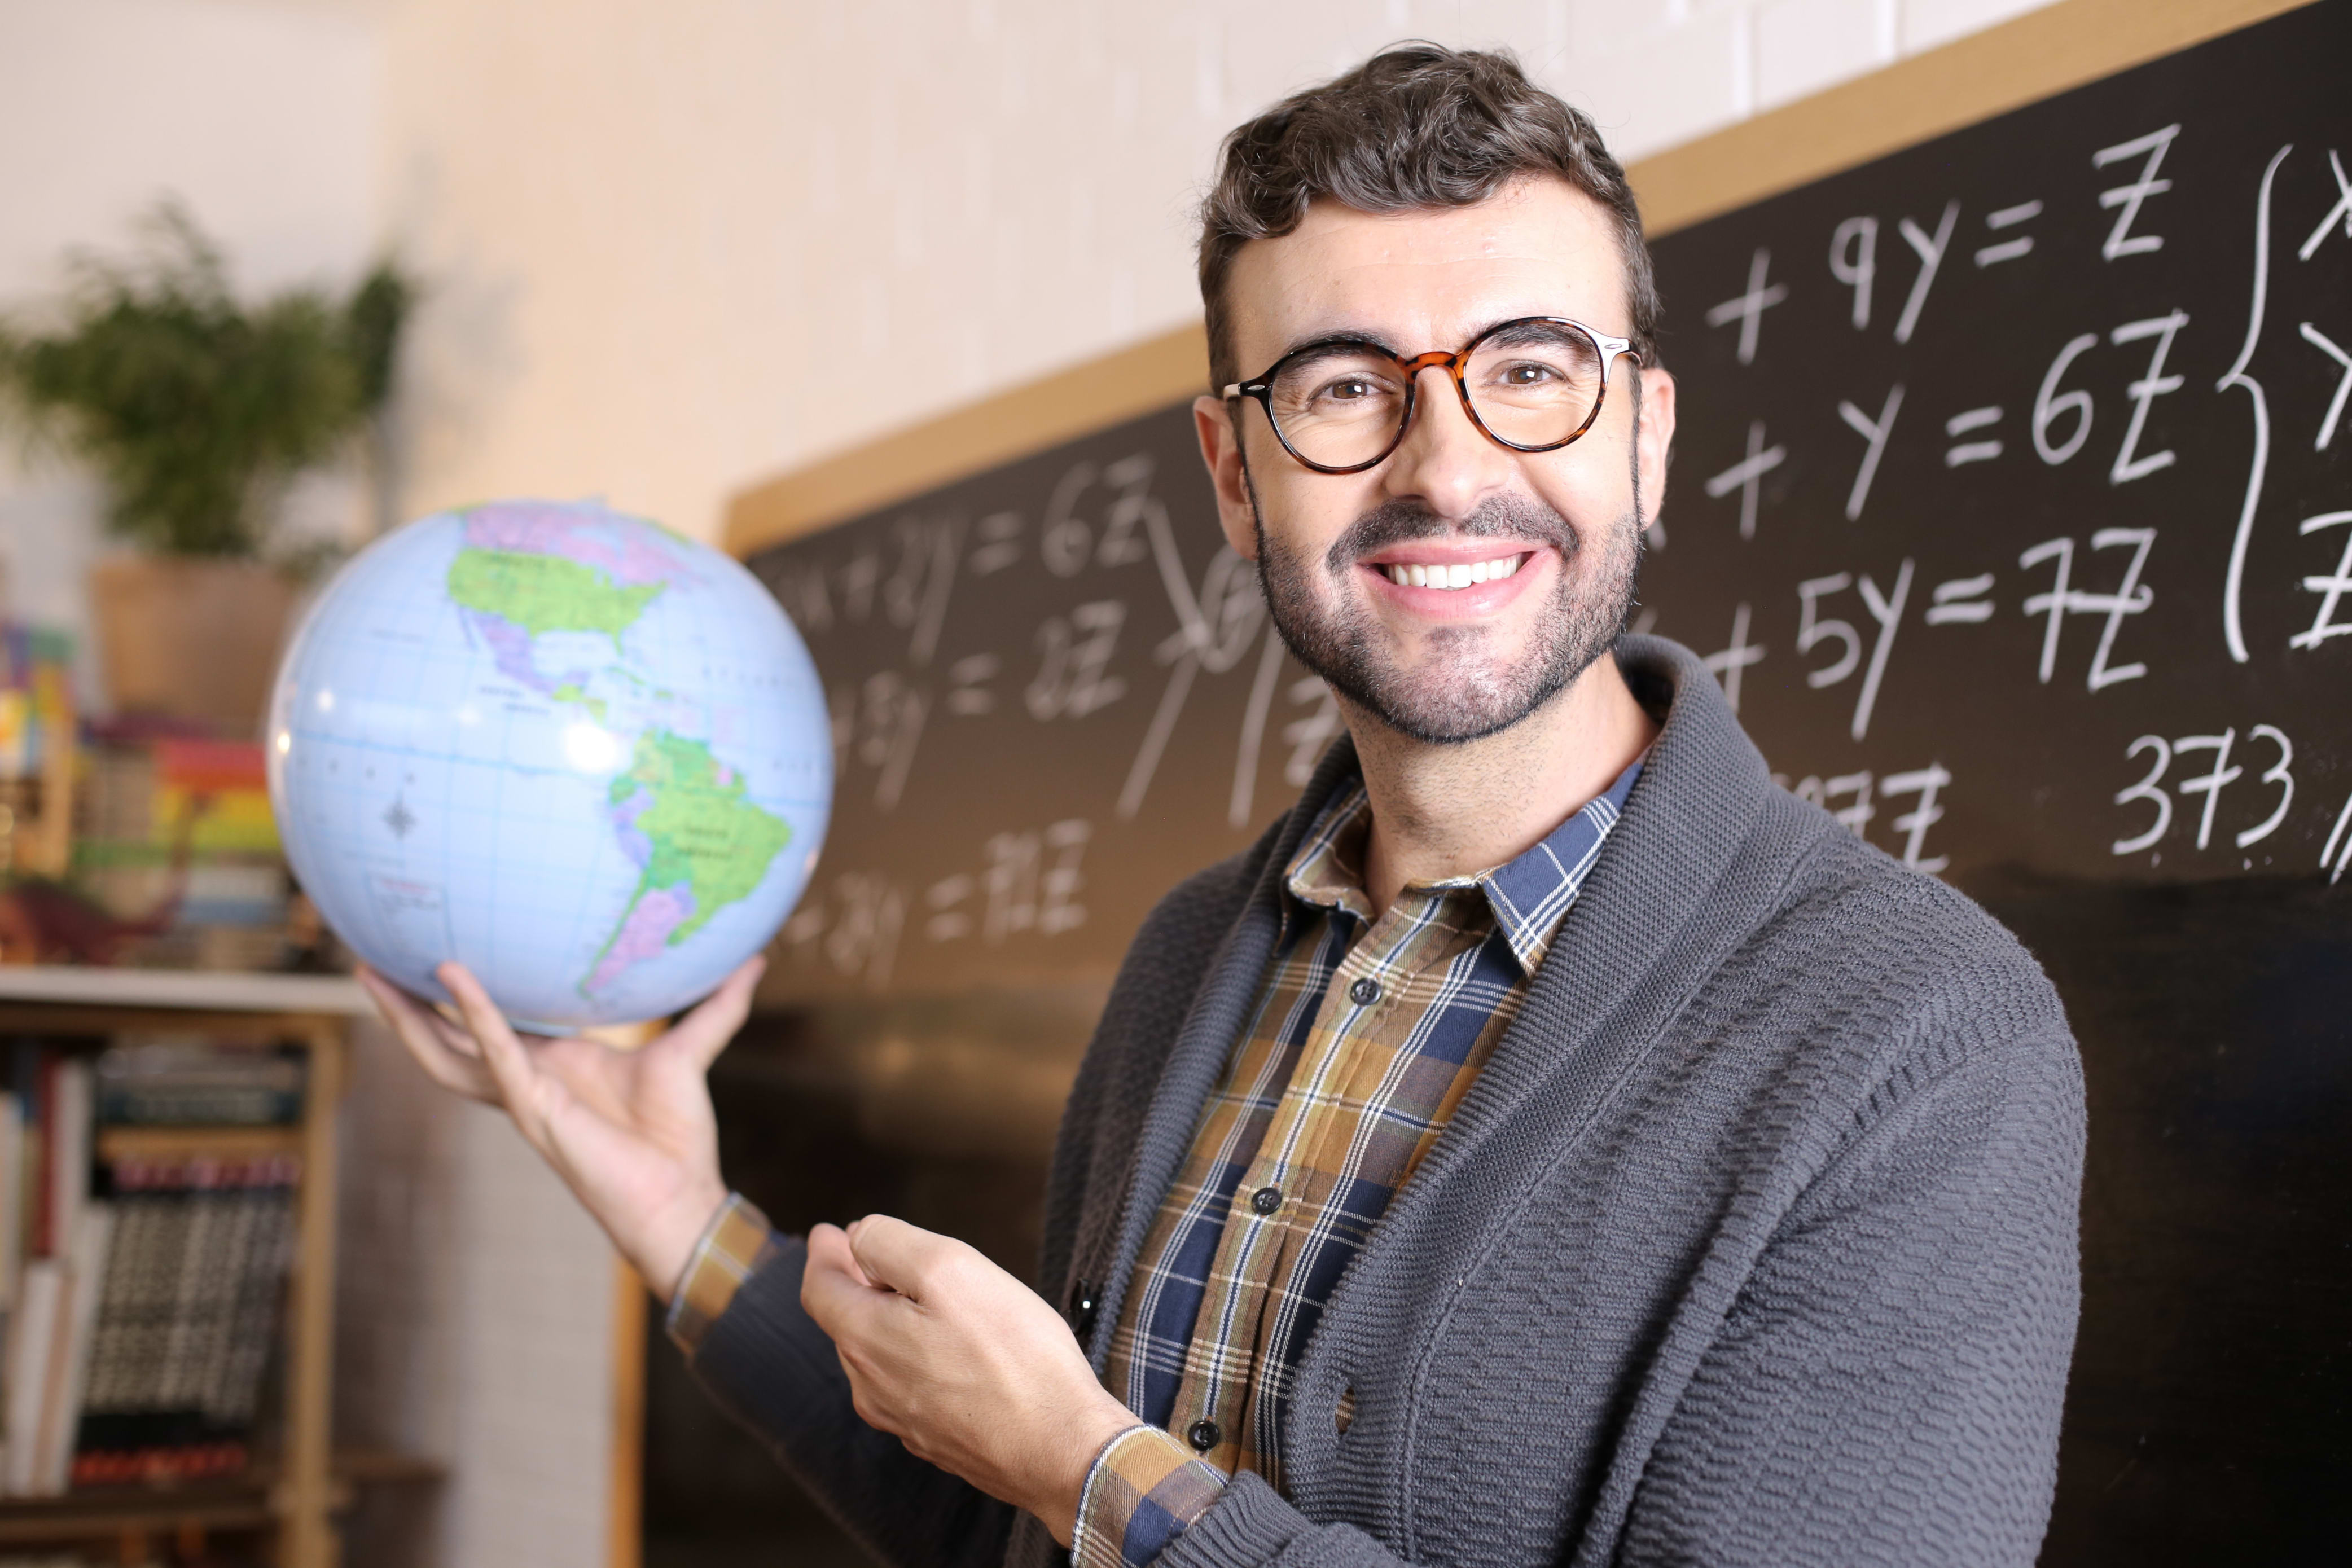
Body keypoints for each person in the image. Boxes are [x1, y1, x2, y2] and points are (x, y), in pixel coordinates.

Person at [361, 43, 2083, 1568]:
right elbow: (1015, 1515)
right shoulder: (1198, 953)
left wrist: (1097, 1467)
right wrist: (680, 1219)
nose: (1445, 465)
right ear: (1230, 473)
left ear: (1646, 430)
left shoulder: (1921, 1044)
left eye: (1535, 367)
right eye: (1344, 387)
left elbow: (1077, 1482)